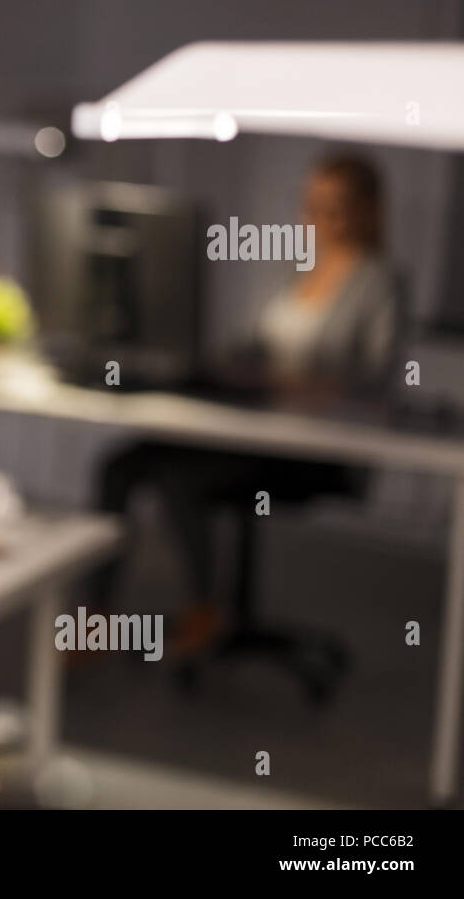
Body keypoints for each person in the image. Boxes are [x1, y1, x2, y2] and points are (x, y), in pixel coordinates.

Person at [90, 153, 403, 658]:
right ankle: (97, 621)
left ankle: (204, 609)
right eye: (312, 207)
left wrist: (290, 384)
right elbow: (256, 345)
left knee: (180, 476)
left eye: (335, 209)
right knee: (124, 464)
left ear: (367, 211)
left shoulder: (379, 282)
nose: (320, 221)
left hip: (313, 452)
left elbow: (374, 383)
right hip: (254, 431)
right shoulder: (301, 271)